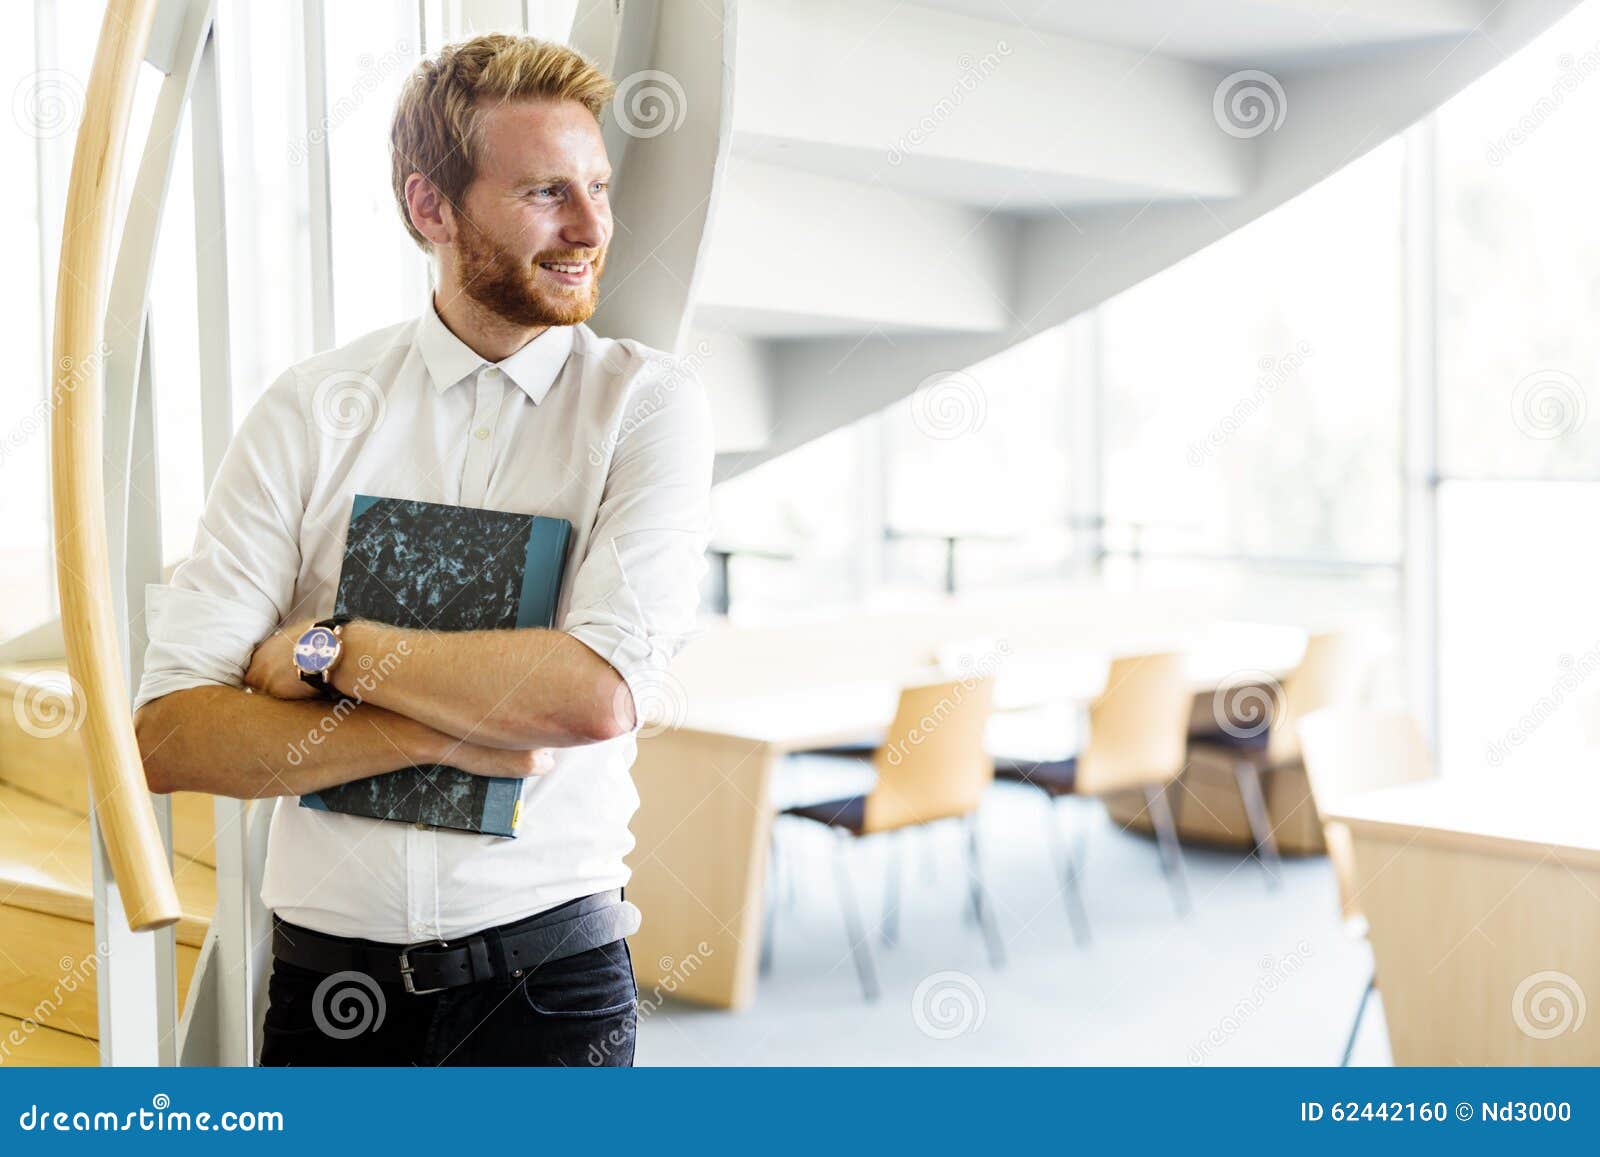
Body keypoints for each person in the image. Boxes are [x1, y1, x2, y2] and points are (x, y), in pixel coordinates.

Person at [131, 32, 714, 1067]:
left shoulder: (647, 406)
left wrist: (331, 651)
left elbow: (592, 695)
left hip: (551, 990)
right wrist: (449, 734)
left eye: (598, 188)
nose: (591, 228)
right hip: (327, 993)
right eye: (545, 193)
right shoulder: (311, 410)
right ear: (429, 208)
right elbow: (174, 735)